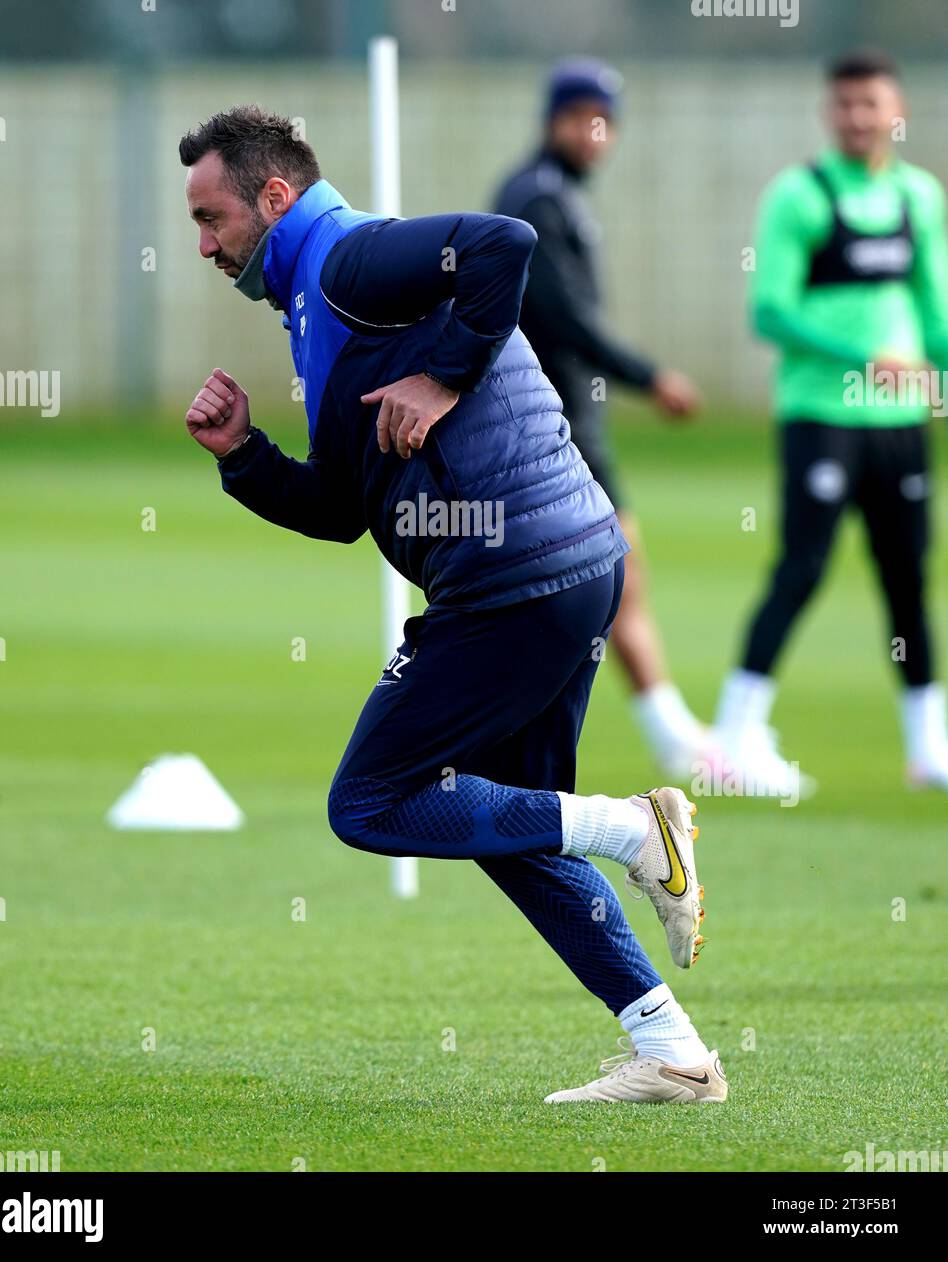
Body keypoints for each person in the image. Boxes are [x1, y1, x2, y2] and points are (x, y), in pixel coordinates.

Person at [179, 105, 725, 1104]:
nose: (204, 246)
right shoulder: (319, 304)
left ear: (275, 197)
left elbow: (501, 244)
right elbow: (343, 509)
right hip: (568, 566)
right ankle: (674, 1052)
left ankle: (639, 826)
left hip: (512, 580)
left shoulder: (348, 257)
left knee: (373, 798)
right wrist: (246, 458)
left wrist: (440, 377)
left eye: (212, 219)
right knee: (507, 824)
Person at [715, 49, 948, 796]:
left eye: (871, 104)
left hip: (901, 422)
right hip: (821, 416)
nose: (858, 118)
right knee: (803, 567)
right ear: (828, 112)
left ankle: (928, 747)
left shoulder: (920, 197)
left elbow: (934, 312)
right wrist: (865, 355)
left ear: (896, 112)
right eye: (844, 105)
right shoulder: (800, 196)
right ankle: (736, 737)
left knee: (907, 576)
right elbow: (769, 311)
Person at [492, 59, 712, 780]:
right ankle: (671, 737)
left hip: (572, 414)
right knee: (609, 571)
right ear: (553, 120)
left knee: (608, 578)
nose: (595, 135)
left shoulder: (561, 197)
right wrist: (653, 378)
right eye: (582, 118)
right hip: (548, 421)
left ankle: (669, 732)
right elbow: (565, 317)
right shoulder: (535, 199)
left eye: (605, 122)